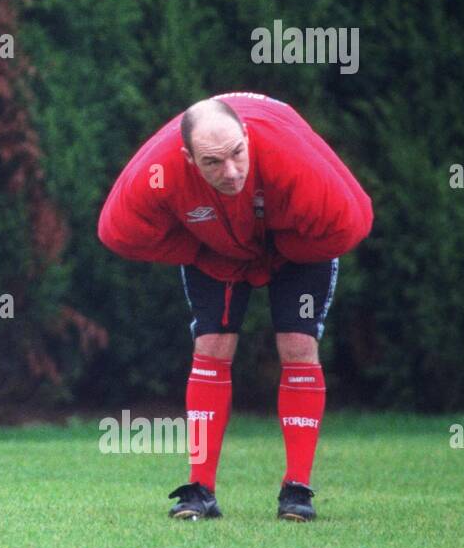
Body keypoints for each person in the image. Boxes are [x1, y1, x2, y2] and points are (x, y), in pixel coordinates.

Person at [97, 92, 372, 521]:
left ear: (247, 135)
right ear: (187, 158)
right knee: (211, 346)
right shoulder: (160, 170)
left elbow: (351, 223)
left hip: (293, 243)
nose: (231, 172)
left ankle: (296, 490)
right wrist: (204, 252)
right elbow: (118, 232)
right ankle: (200, 490)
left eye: (237, 154)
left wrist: (280, 249)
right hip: (217, 247)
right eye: (212, 163)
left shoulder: (289, 158)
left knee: (298, 346)